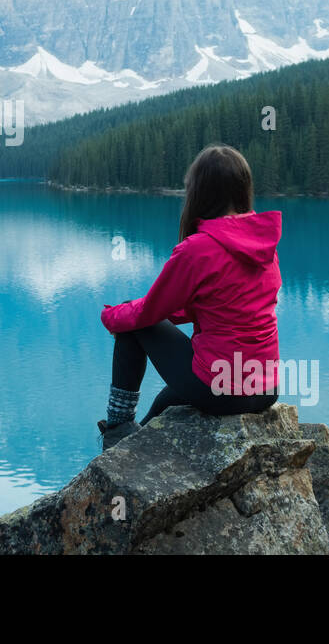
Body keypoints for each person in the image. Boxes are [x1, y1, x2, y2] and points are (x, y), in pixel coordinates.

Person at [97, 144, 282, 451]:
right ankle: (129, 450)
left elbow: (149, 312)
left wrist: (110, 316)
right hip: (266, 387)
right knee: (167, 401)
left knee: (134, 325)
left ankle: (116, 428)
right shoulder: (265, 247)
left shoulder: (198, 249)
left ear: (200, 193)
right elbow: (212, 304)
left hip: (223, 387)